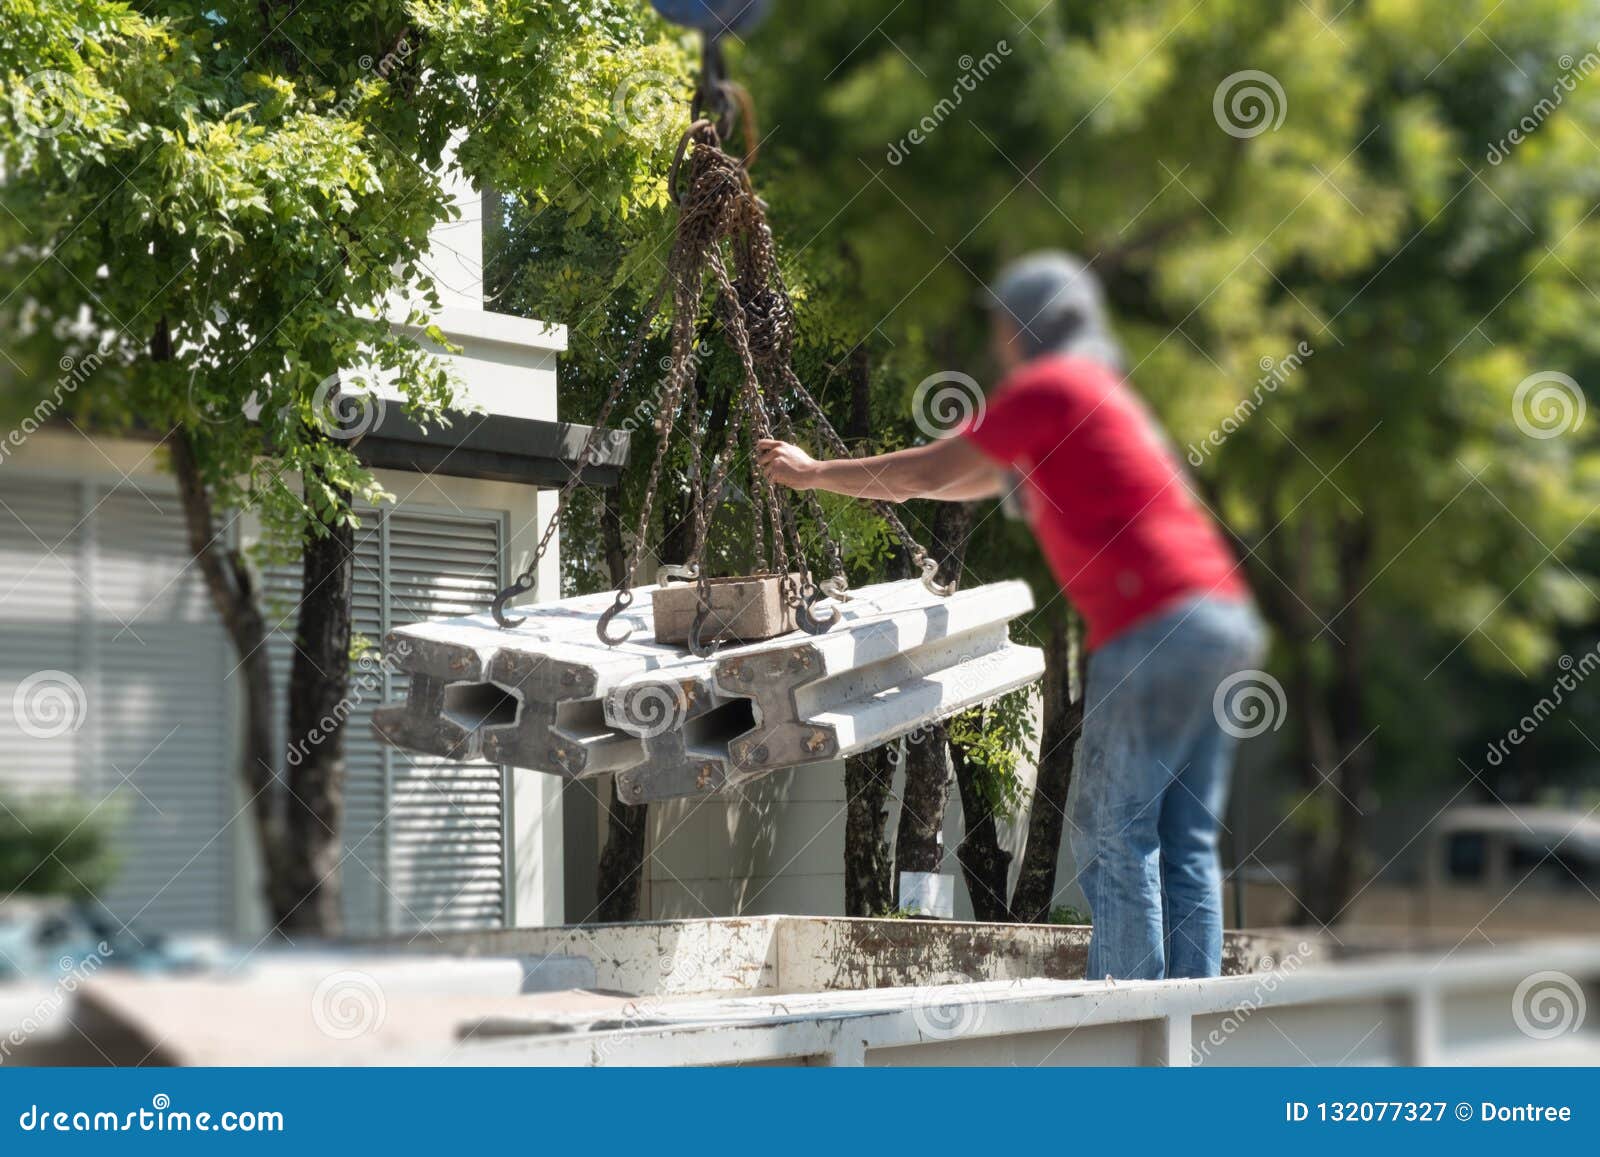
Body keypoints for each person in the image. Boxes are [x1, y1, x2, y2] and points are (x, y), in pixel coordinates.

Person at [757, 251, 1267, 980]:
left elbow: (928, 471)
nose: (997, 341)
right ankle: (1187, 1036)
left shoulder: (1050, 390)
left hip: (1155, 625)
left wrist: (810, 473)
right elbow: (947, 482)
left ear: (1028, 328)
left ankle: (1130, 1039)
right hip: (1218, 618)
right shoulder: (1098, 396)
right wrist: (859, 479)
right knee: (1181, 837)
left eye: (1002, 326)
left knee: (1117, 831)